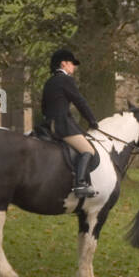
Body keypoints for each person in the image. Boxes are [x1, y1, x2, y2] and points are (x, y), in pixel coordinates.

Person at [40, 48, 99, 197]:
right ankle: (80, 184)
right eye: (72, 63)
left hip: (48, 124)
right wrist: (92, 120)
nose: (74, 66)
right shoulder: (66, 80)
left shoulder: (49, 82)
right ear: (64, 64)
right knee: (88, 150)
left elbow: (44, 107)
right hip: (62, 125)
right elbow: (80, 102)